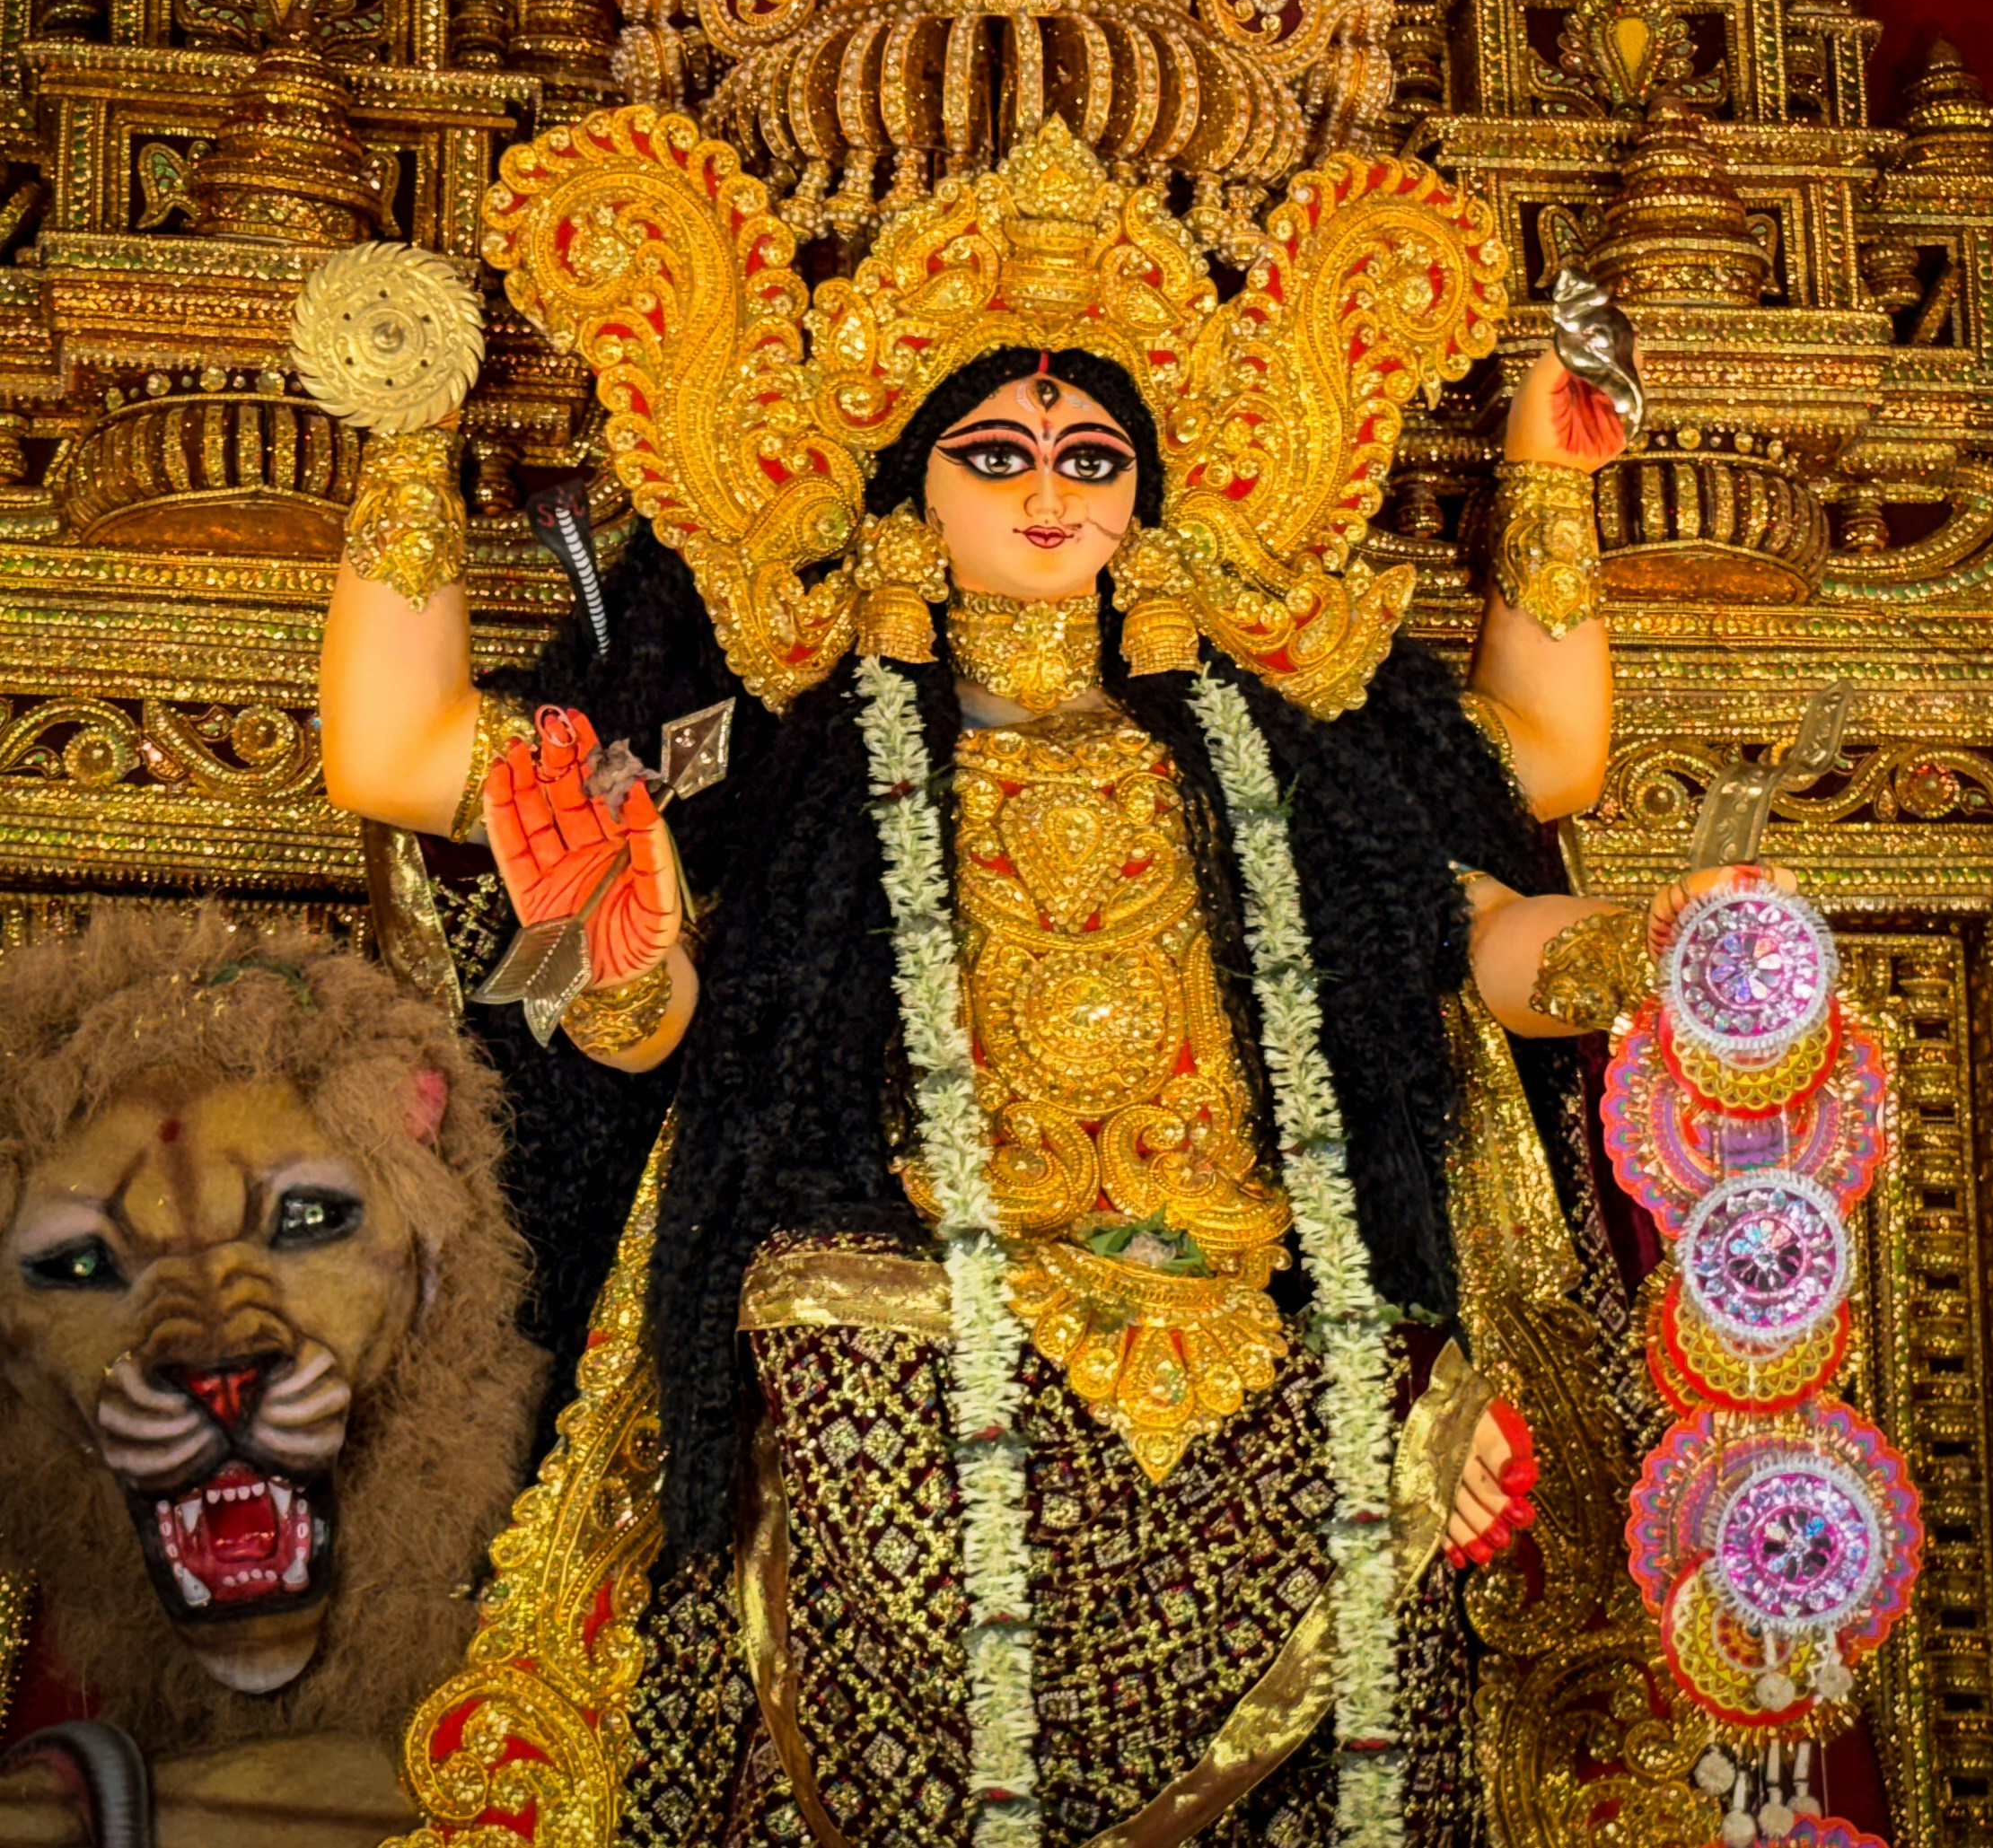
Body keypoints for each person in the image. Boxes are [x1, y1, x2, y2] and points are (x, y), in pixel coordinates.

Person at [317, 117, 1713, 1847]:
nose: (1050, 487)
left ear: (1150, 493)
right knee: (823, 1362)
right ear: (910, 486)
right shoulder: (796, 746)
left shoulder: (1255, 754)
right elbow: (408, 763)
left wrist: (1670, 959)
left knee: (1414, 1421)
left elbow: (1514, 838)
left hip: (1249, 1304)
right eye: (994, 451)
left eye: (1090, 452)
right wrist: (404, 431)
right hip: (907, 1303)